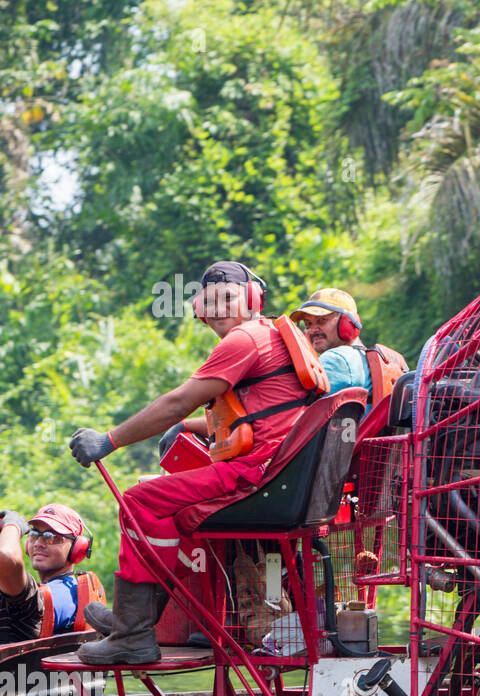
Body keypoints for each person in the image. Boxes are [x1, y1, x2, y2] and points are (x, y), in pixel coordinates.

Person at [67, 260, 326, 664]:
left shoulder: (244, 340)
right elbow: (246, 412)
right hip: (278, 474)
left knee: (139, 501)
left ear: (251, 301)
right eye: (210, 301)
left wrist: (109, 440)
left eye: (227, 298)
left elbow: (177, 402)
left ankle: (133, 634)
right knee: (176, 515)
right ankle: (131, 621)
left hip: (257, 478)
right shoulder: (271, 335)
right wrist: (193, 426)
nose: (217, 309)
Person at [0, 504, 104, 644]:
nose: (38, 543)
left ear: (77, 548)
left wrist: (12, 527)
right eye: (34, 534)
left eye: (52, 537)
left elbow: (6, 557)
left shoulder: (63, 593)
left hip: (22, 667)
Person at [291, 288, 407, 407]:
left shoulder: (336, 359)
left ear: (347, 322)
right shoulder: (364, 358)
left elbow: (295, 408)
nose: (313, 330)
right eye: (308, 324)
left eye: (322, 320)